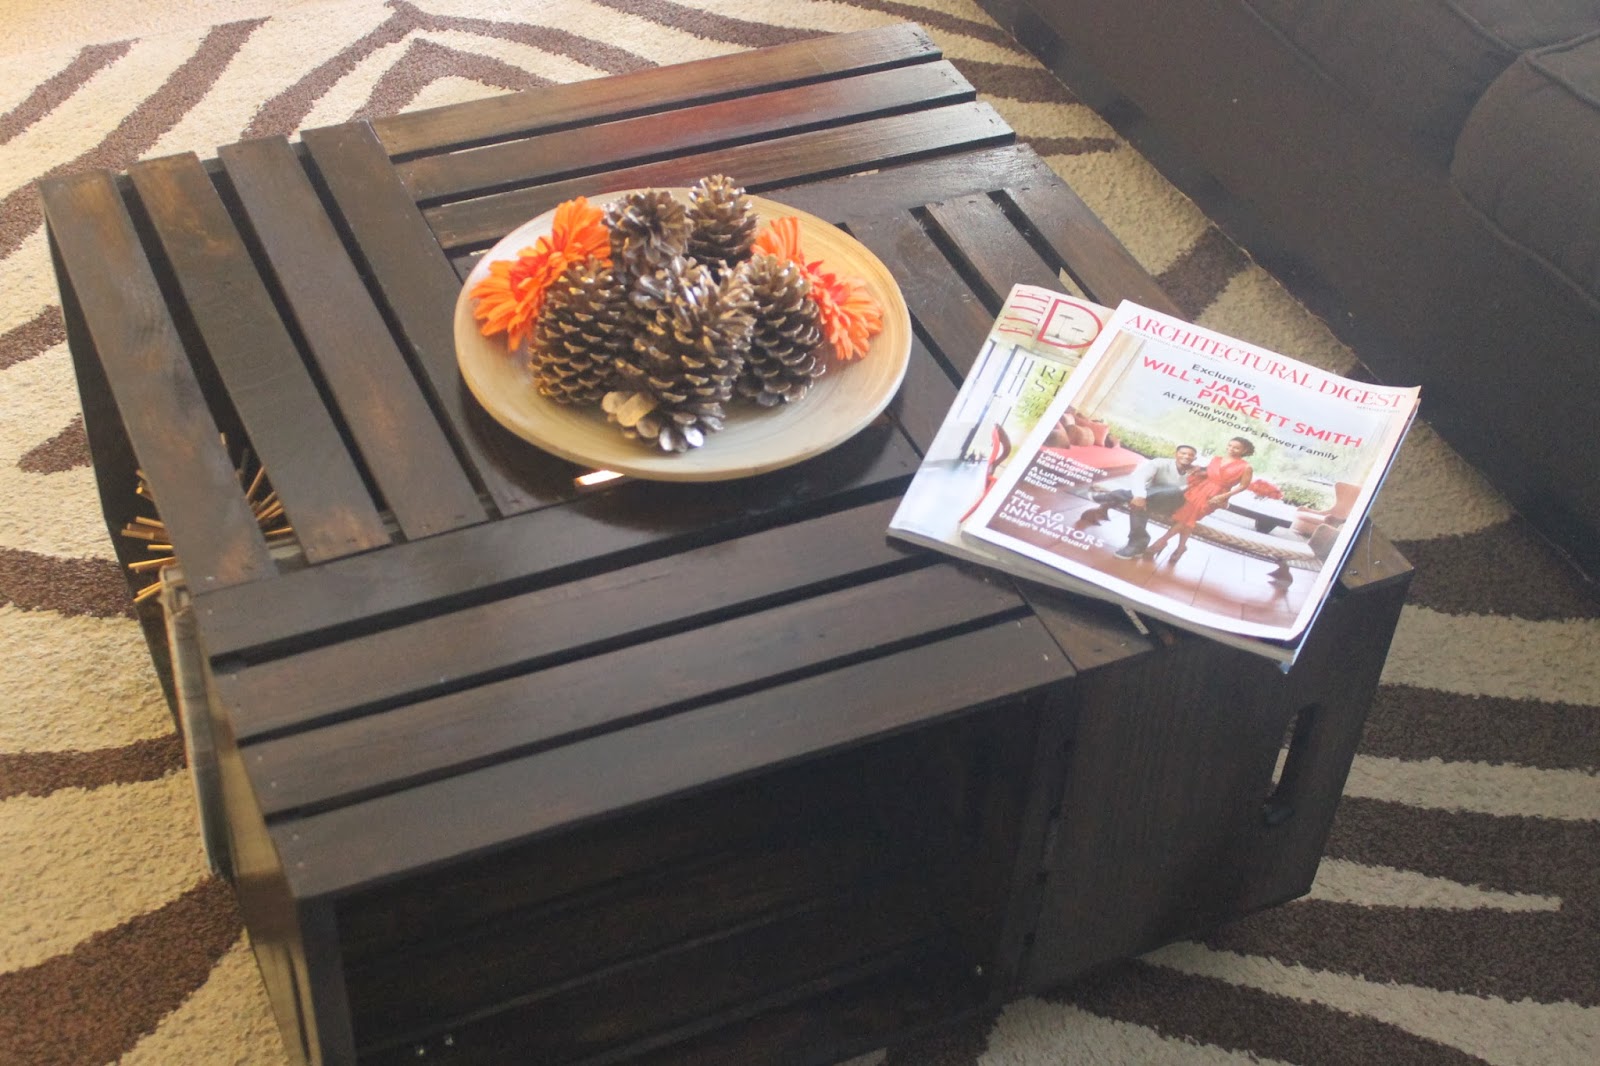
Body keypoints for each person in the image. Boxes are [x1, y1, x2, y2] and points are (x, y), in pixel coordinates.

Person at [1143, 436, 1256, 560]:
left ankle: (1161, 541)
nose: (1231, 449)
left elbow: (1243, 486)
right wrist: (1196, 470)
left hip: (1216, 495)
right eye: (1229, 445)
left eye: (1236, 448)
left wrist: (1223, 496)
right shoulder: (1217, 459)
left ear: (1244, 450)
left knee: (1187, 518)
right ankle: (1180, 547)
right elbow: (1209, 473)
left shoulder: (1246, 467)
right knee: (1187, 518)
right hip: (1199, 489)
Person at [1089, 445, 1199, 558]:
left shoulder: (1197, 472)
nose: (1186, 456)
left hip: (1171, 506)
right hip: (1149, 500)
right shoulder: (1161, 463)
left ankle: (1114, 495)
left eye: (1190, 455)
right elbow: (1139, 476)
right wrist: (1139, 496)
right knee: (1141, 504)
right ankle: (1137, 544)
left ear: (1194, 458)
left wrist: (1140, 496)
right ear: (1175, 454)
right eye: (1183, 453)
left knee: (1174, 490)